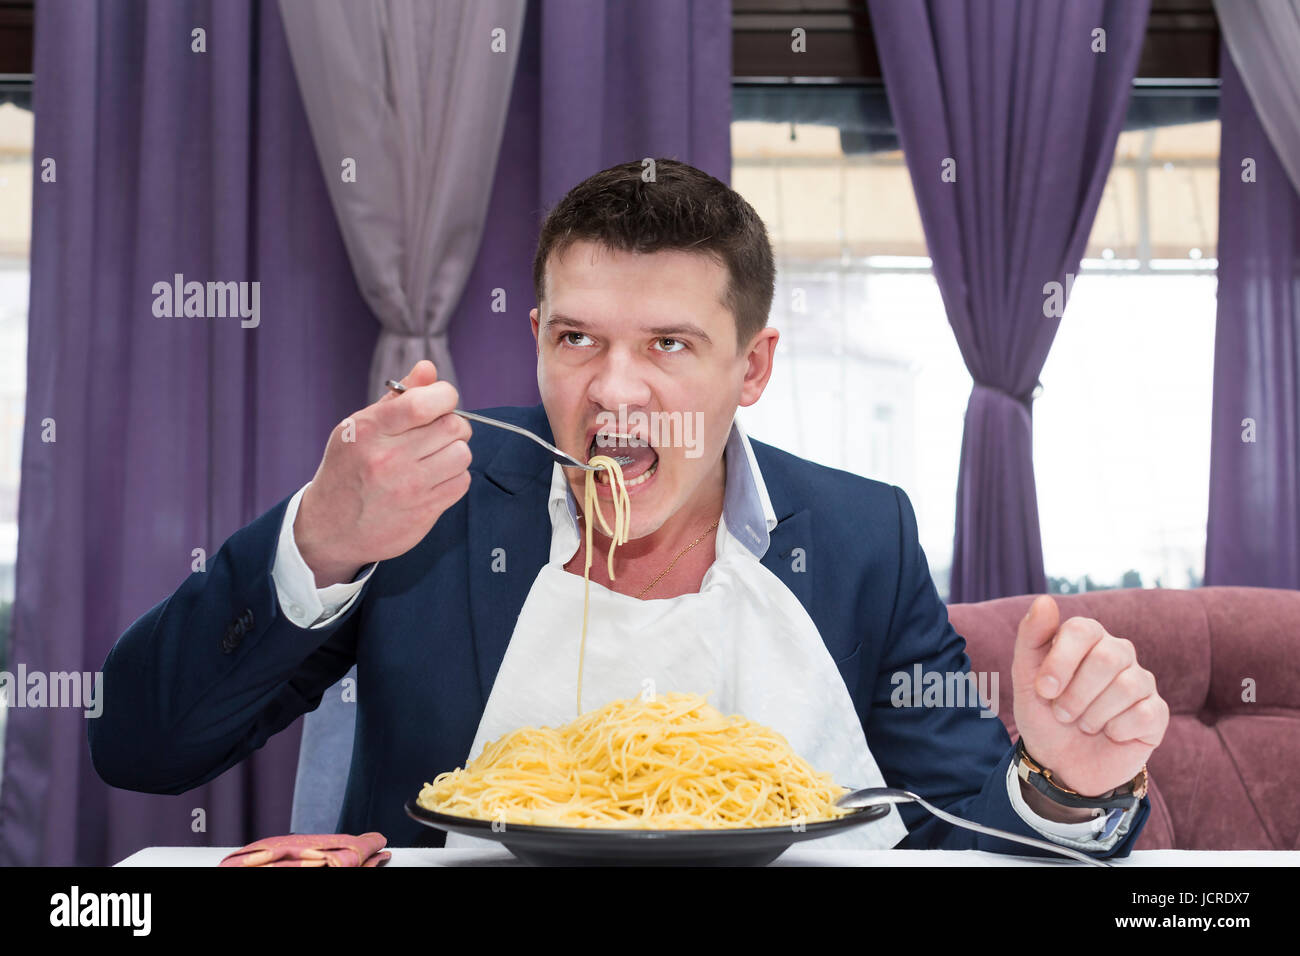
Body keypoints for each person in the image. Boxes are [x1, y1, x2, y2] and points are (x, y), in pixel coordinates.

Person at [90, 159, 1166, 855]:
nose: (612, 390)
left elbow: (960, 821)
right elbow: (142, 745)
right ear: (539, 340)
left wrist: (1065, 784)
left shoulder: (856, 534)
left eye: (668, 344)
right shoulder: (431, 503)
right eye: (577, 339)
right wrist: (318, 540)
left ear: (751, 369)